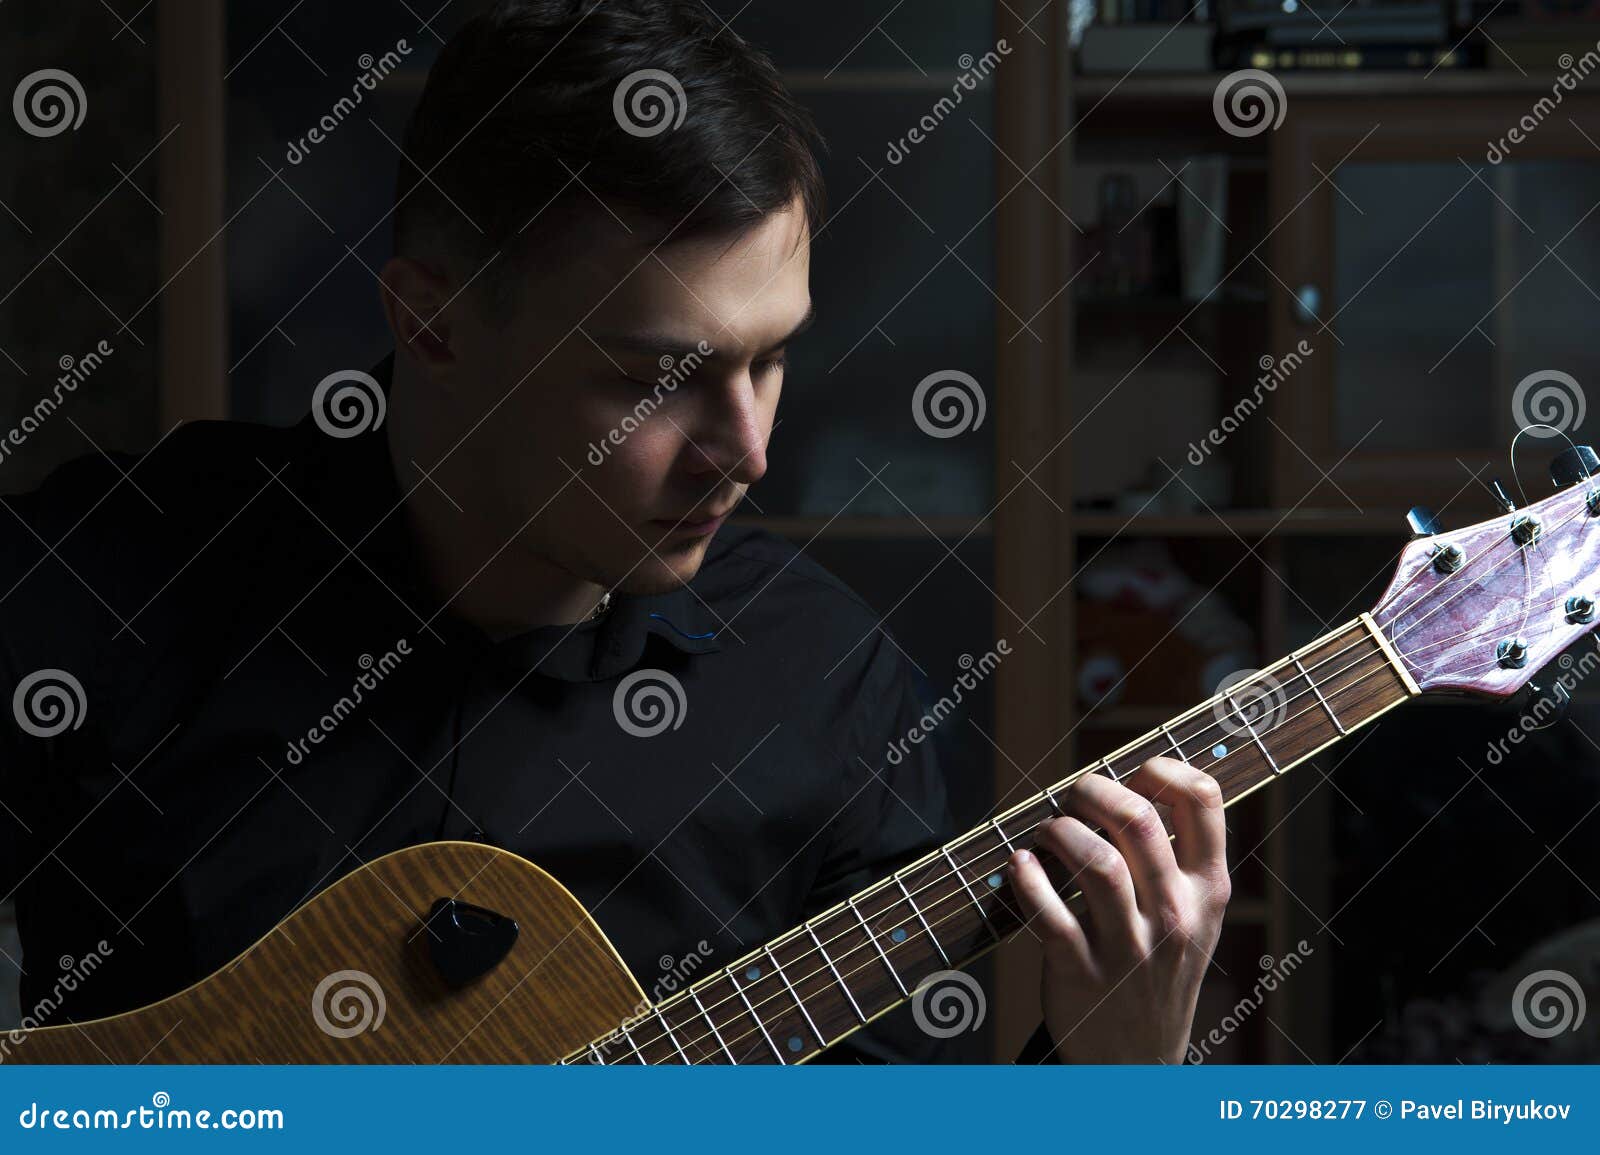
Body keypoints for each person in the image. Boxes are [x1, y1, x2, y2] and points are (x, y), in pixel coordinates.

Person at [0, 0, 1228, 1063]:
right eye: (659, 378)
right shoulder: (114, 575)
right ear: (431, 326)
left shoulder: (830, 696)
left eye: (771, 360)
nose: (746, 449)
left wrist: (1112, 1077)